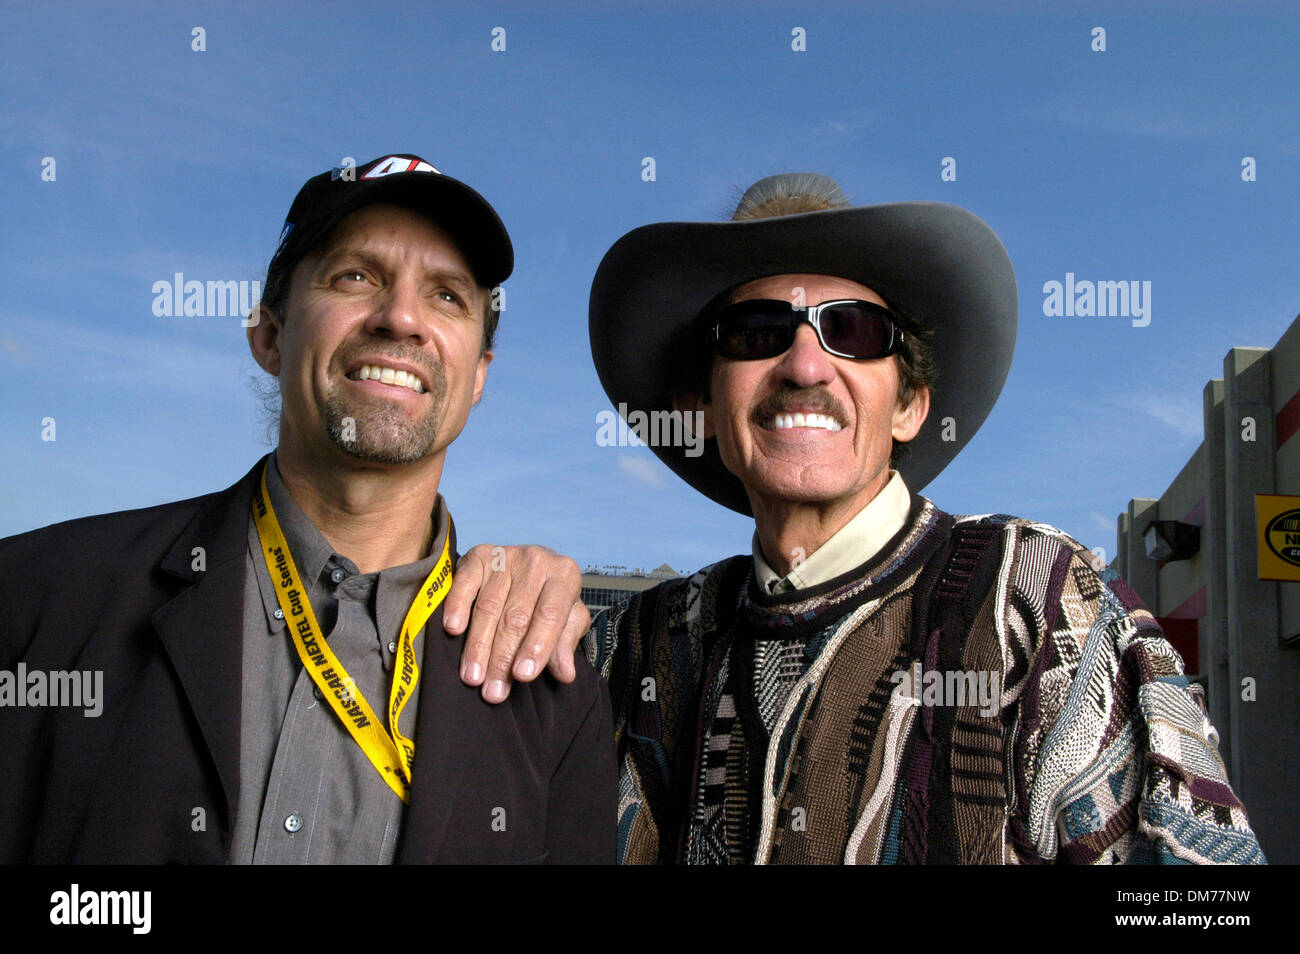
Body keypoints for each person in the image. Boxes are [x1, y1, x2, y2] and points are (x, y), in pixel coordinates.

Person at [498, 172, 1265, 864]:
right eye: (757, 333)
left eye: (855, 331)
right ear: (699, 405)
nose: (804, 366)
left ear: (908, 404)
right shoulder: (638, 645)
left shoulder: (1043, 596)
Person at [0, 154, 613, 864]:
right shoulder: (39, 600)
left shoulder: (553, 697)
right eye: (356, 276)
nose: (402, 318)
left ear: (478, 377)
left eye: (448, 296)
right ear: (268, 333)